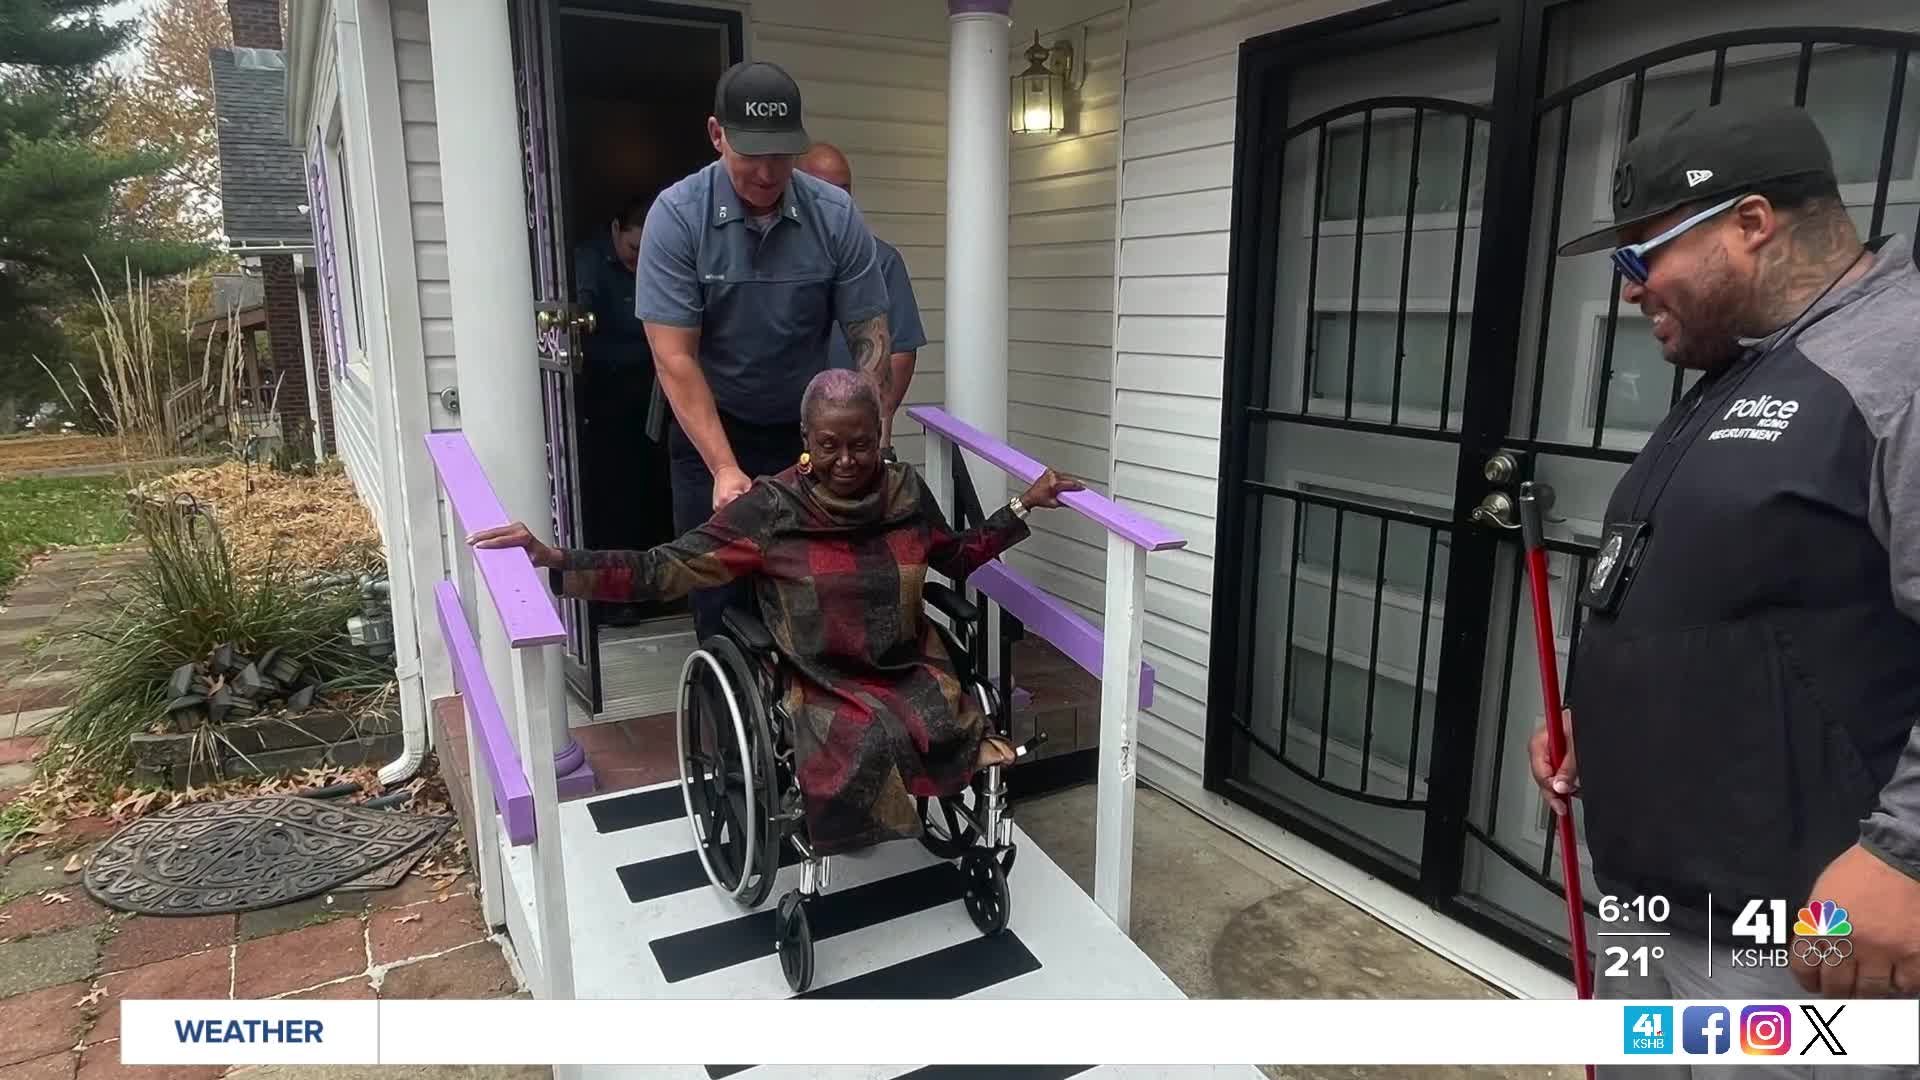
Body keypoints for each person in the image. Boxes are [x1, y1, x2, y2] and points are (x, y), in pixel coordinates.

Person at [1532, 100, 1920, 1055]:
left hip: (1792, 932)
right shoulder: (1745, 368)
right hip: (1646, 891)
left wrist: (1903, 855)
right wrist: (1602, 719)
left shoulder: (1894, 366)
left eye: (1640, 257)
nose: (1630, 290)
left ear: (1751, 223)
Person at [468, 369, 1084, 854]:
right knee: (861, 734)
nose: (847, 459)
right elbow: (664, 567)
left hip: (906, 659)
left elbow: (954, 557)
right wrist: (554, 558)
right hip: (819, 672)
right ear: (806, 442)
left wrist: (1022, 506)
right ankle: (852, 826)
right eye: (829, 445)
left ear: (881, 438)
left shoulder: (904, 492)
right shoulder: (770, 508)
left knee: (949, 714)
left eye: (862, 444)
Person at [634, 60, 895, 641]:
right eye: (752, 153)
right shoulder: (676, 218)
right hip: (712, 427)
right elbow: (675, 357)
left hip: (806, 430)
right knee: (721, 594)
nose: (768, 171)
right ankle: (726, 724)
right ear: (716, 134)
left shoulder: (834, 214)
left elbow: (869, 334)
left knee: (818, 584)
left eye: (781, 153)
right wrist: (725, 469)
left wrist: (870, 433)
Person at [572, 194, 672, 626]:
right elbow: (579, 330)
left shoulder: (662, 263)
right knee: (613, 500)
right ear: (616, 229)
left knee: (652, 495)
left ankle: (652, 590)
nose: (638, 260)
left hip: (655, 399)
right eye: (633, 248)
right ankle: (610, 601)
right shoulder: (588, 264)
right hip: (606, 399)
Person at [795, 142, 925, 449]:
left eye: (844, 190)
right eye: (825, 189)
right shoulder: (776, 255)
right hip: (784, 428)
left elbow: (901, 352)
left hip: (851, 436)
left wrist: (877, 423)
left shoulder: (880, 259)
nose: (837, 200)